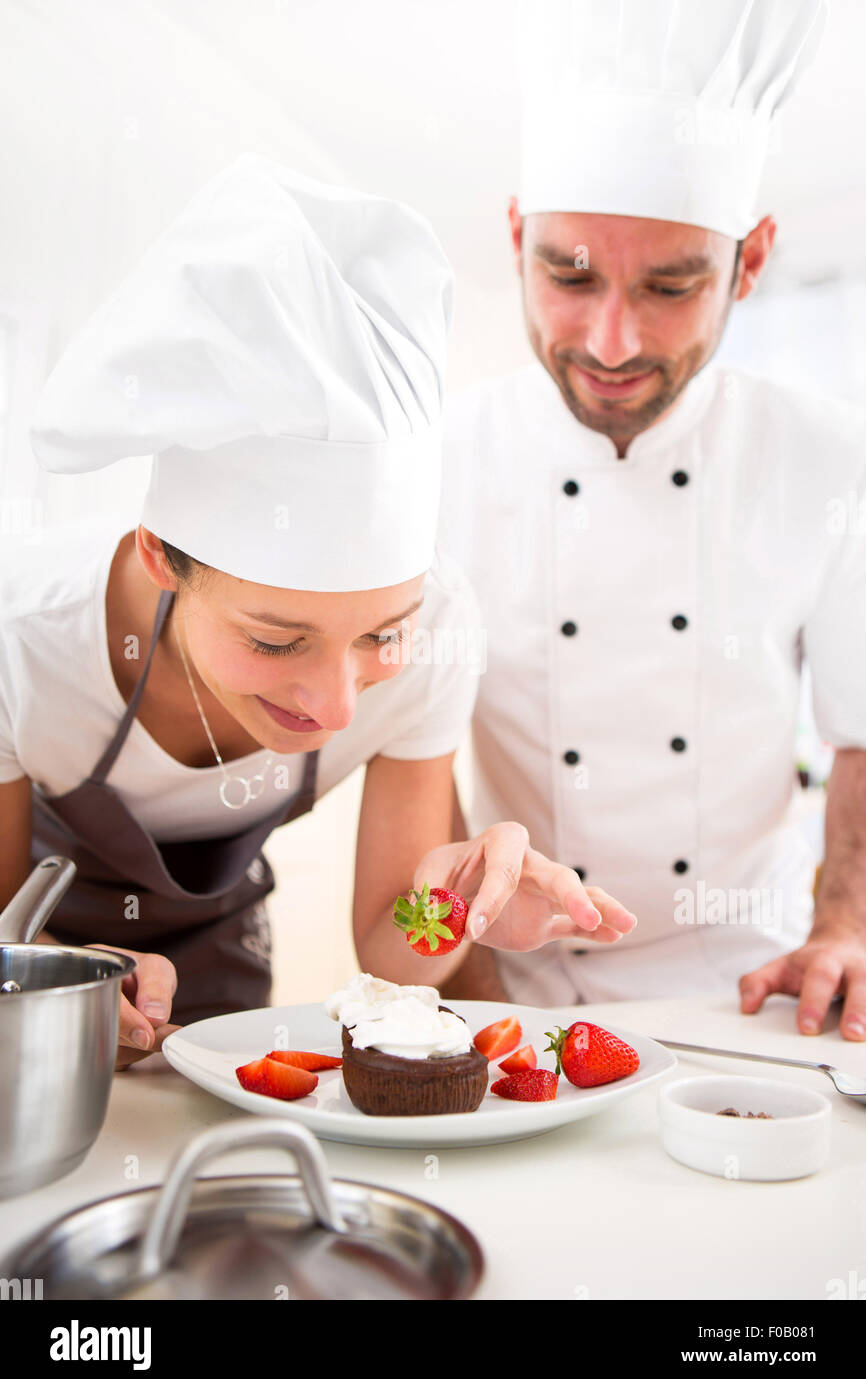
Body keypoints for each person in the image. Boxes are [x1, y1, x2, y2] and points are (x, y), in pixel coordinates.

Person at [2, 154, 635, 1066]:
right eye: (275, 640)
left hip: (224, 963)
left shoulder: (440, 629)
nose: (338, 706)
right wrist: (79, 983)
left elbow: (389, 946)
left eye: (382, 633)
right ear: (161, 558)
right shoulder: (22, 641)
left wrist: (454, 909)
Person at [440, 0, 866, 1040]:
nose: (611, 341)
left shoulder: (824, 456)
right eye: (568, 275)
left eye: (671, 285)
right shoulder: (440, 458)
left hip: (752, 980)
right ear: (516, 239)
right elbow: (407, 754)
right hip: (508, 982)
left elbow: (859, 729)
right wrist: (465, 985)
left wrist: (846, 924)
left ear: (749, 263)